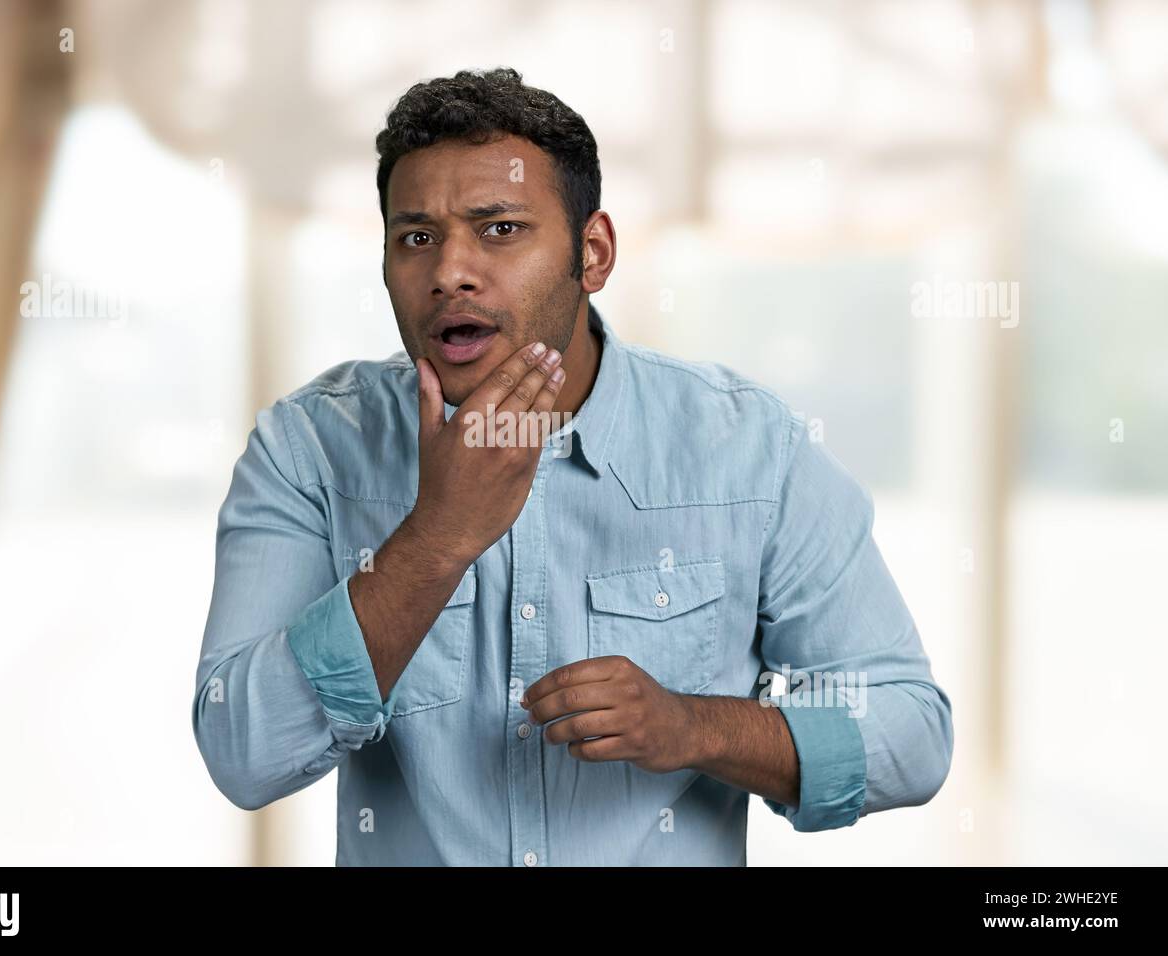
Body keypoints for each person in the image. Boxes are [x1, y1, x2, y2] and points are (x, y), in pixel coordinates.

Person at [192, 67, 953, 866]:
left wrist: (696, 726)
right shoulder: (309, 449)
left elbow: (910, 730)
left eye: (499, 229)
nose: (450, 270)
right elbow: (242, 751)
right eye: (416, 237)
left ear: (592, 254)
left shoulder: (750, 452)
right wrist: (436, 540)